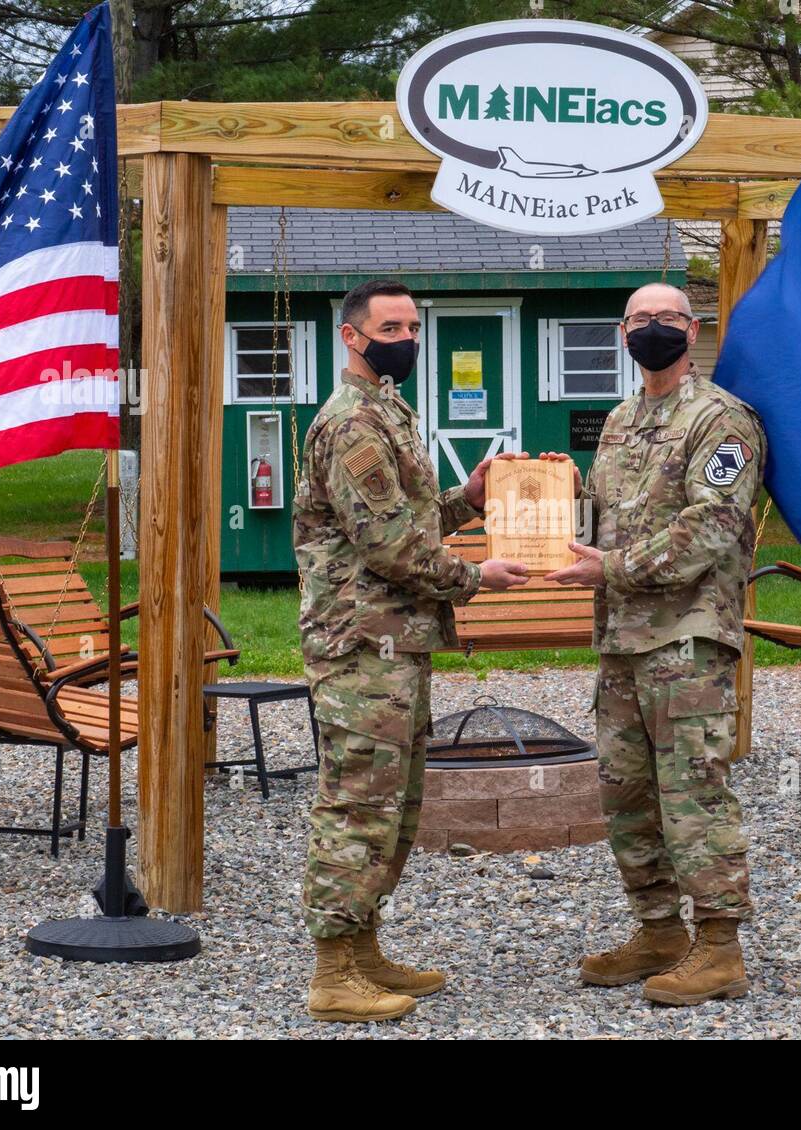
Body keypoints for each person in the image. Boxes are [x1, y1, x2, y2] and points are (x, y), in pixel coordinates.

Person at [293, 279, 530, 1023]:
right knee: (358, 802)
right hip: (361, 646)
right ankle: (333, 971)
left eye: (412, 324)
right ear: (352, 337)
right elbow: (389, 543)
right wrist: (474, 576)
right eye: (390, 325)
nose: (406, 335)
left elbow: (411, 517)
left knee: (395, 803)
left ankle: (364, 948)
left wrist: (468, 497)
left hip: (395, 644)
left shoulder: (387, 410)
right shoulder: (352, 424)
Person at [547, 282, 765, 1006]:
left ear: (692, 328)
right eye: (640, 320)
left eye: (667, 318)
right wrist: (546, 495)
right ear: (622, 333)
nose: (653, 329)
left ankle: (719, 947)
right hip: (621, 641)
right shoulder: (619, 421)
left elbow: (709, 529)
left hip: (687, 639)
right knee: (627, 793)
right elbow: (607, 517)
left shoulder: (721, 420)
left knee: (694, 794)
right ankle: (659, 931)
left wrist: (607, 567)